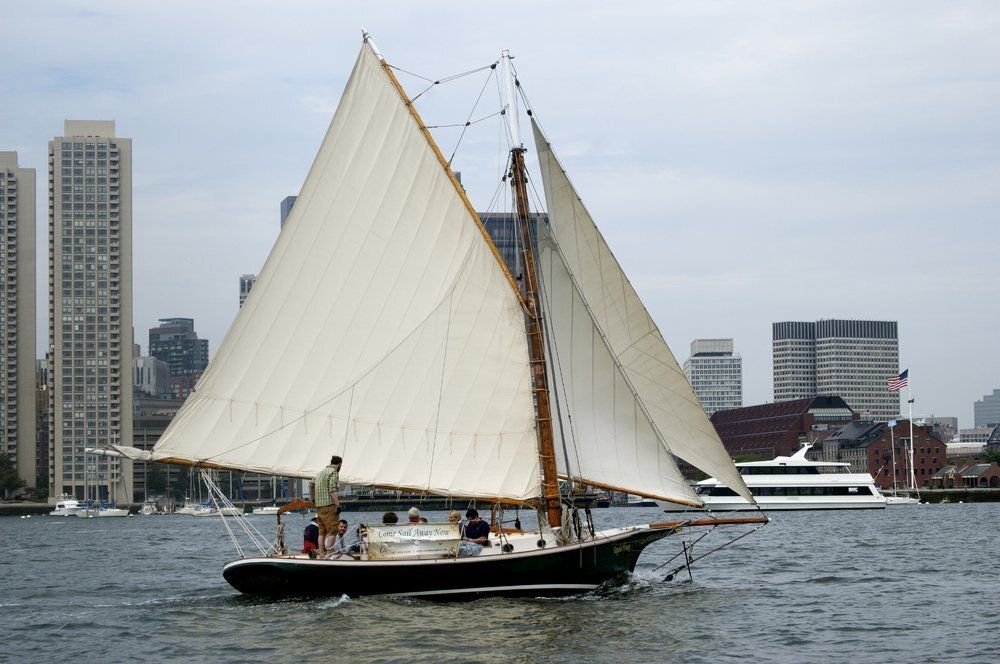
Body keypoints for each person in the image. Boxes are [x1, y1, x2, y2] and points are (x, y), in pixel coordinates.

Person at [310, 455, 342, 556]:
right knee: (333, 530)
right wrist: (338, 504)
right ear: (340, 464)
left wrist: (313, 498)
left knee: (321, 532)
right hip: (329, 506)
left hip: (319, 507)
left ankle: (322, 553)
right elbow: (332, 489)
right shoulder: (334, 473)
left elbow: (311, 484)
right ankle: (329, 553)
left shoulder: (320, 473)